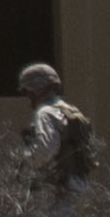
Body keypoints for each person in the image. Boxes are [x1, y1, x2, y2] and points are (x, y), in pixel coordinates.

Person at [17, 62, 94, 196]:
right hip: (78, 183)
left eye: (27, 91)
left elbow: (46, 149)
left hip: (59, 189)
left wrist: (25, 156)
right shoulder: (69, 110)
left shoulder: (45, 112)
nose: (27, 97)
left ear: (37, 90)